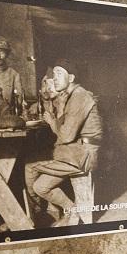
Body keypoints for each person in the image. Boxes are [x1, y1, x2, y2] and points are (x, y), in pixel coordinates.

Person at [26, 63, 101, 226]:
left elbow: (66, 135)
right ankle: (71, 209)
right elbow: (64, 129)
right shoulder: (70, 96)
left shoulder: (79, 95)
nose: (54, 78)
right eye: (54, 74)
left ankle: (39, 212)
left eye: (59, 74)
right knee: (40, 186)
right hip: (74, 152)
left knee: (30, 164)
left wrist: (52, 122)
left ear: (72, 78)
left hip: (83, 154)